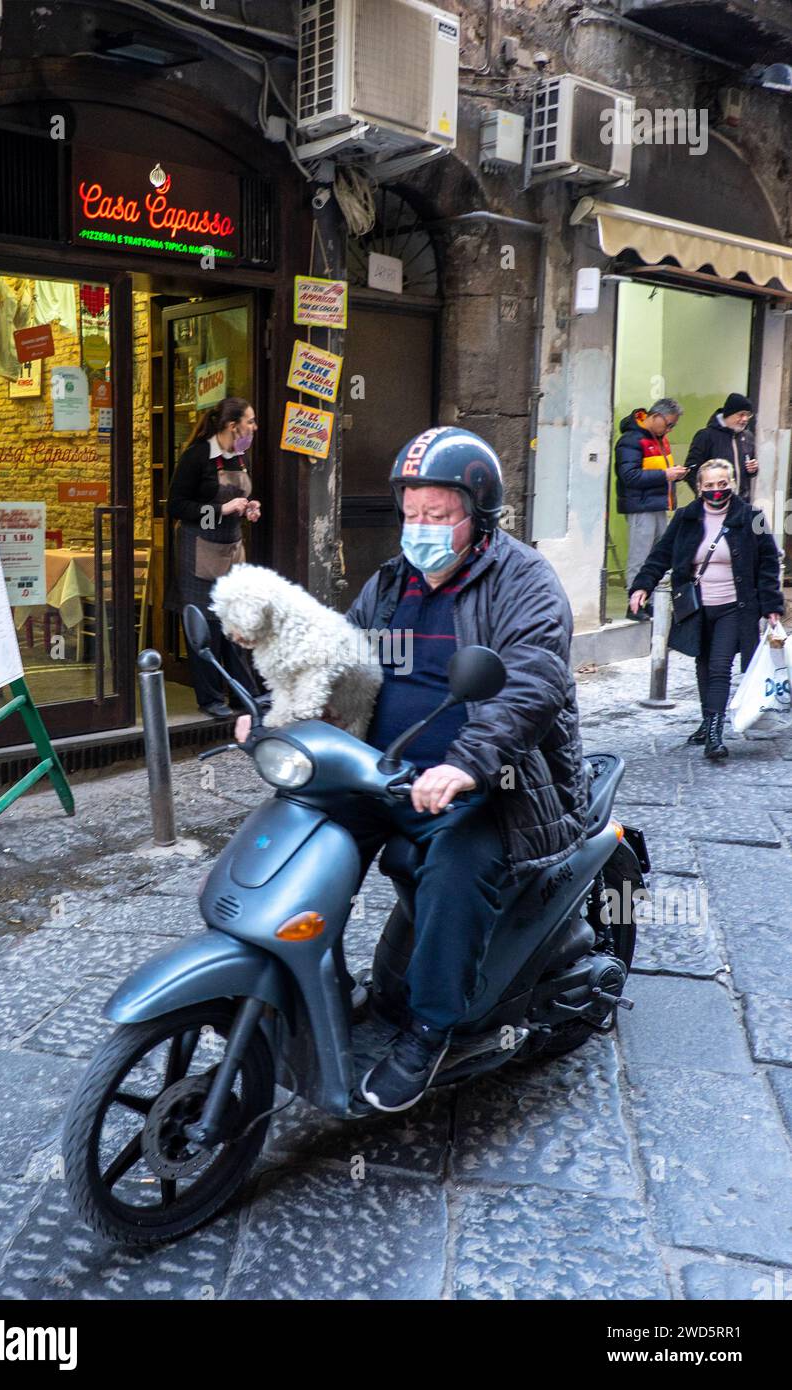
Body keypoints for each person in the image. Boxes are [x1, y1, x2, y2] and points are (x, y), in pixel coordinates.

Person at [237, 427, 587, 1112]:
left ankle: (430, 1033)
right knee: (301, 836)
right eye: (412, 513)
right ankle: (315, 986)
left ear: (479, 515)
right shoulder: (392, 581)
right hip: (382, 772)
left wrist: (467, 765)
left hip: (495, 781)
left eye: (439, 515)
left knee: (458, 866)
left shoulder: (525, 581)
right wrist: (270, 713)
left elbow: (532, 684)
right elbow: (336, 657)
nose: (420, 528)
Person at [629, 459, 783, 760]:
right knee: (703, 664)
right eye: (709, 485)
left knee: (719, 666)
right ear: (699, 487)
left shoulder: (752, 517)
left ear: (732, 484)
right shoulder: (685, 517)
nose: (716, 490)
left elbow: (767, 562)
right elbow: (661, 554)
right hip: (697, 607)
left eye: (722, 484)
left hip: (735, 606)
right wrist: (642, 586)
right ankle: (706, 719)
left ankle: (714, 733)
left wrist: (771, 605)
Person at [168, 397, 263, 719]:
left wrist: (249, 508)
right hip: (199, 551)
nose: (254, 427)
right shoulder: (198, 456)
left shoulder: (240, 457)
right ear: (232, 425)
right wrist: (220, 510)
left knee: (235, 621)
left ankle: (242, 694)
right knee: (205, 625)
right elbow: (176, 506)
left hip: (232, 549)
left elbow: (239, 499)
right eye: (250, 421)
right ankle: (210, 698)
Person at [614, 398, 688, 616]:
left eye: (673, 426)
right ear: (656, 416)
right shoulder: (631, 440)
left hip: (658, 504)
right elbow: (629, 476)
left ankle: (654, 601)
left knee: (658, 556)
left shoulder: (660, 439)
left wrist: (675, 474)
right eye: (669, 424)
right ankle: (634, 603)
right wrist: (666, 475)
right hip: (641, 506)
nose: (670, 429)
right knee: (640, 556)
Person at [684, 393, 758, 502]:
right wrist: (704, 495)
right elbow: (691, 470)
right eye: (741, 414)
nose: (745, 419)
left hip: (740, 503)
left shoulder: (748, 437)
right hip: (714, 502)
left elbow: (748, 468)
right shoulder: (706, 436)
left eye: (748, 415)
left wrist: (753, 469)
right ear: (729, 413)